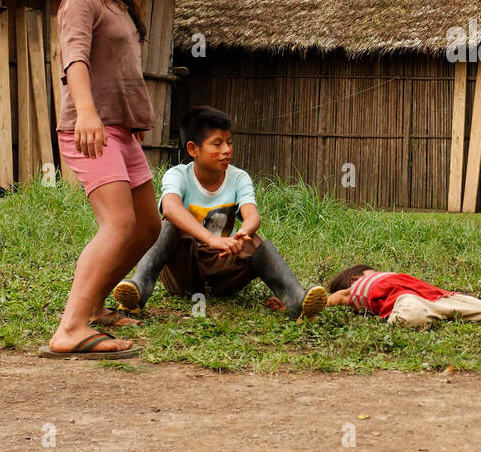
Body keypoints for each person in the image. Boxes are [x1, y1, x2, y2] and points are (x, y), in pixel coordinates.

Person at [41, 0, 162, 359]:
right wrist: (87, 114)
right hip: (90, 128)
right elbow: (74, 57)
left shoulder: (114, 0)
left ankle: (92, 306)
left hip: (121, 131)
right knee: (118, 223)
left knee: (147, 226)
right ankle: (70, 328)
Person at [111, 106, 328, 322]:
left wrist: (242, 233)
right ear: (193, 149)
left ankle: (297, 302)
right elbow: (170, 207)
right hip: (184, 274)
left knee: (252, 239)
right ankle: (136, 293)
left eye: (229, 142)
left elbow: (252, 216)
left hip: (223, 270)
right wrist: (211, 240)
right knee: (168, 225)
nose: (227, 150)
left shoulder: (239, 178)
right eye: (217, 143)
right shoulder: (178, 175)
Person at [326, 265, 481, 329]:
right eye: (371, 270)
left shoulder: (385, 276)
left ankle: (435, 317)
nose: (376, 272)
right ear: (354, 277)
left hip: (438, 297)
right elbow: (340, 297)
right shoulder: (358, 286)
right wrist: (320, 303)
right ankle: (429, 317)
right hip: (407, 300)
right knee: (409, 315)